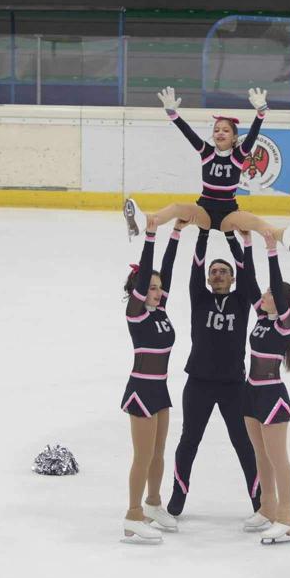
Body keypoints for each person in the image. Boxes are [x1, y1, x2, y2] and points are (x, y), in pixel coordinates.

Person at [124, 87, 290, 258]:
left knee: (256, 222)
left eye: (226, 130)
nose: (220, 133)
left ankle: (285, 237)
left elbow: (252, 135)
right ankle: (143, 222)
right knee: (176, 208)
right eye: (216, 130)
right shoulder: (207, 152)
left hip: (228, 214)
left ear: (234, 137)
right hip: (204, 210)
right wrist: (173, 115)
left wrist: (260, 114)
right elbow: (189, 133)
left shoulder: (238, 155)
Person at [167, 228, 265, 527]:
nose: (218, 275)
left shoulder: (241, 300)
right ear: (208, 279)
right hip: (198, 381)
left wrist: (238, 241)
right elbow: (195, 267)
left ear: (232, 278)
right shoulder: (199, 297)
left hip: (234, 384)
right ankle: (177, 498)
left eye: (224, 272)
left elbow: (249, 274)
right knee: (189, 441)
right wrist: (203, 235)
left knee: (244, 443)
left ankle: (260, 501)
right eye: (214, 272)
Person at [120, 216, 186, 543]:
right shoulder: (137, 312)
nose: (158, 292)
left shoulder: (160, 310)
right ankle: (133, 515)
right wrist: (150, 234)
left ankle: (153, 504)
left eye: (160, 289)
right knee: (142, 456)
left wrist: (175, 234)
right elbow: (148, 272)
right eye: (152, 288)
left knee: (159, 454)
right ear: (140, 289)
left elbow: (167, 270)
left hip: (160, 389)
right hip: (141, 390)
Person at [243, 230, 290, 544]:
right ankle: (267, 507)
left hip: (272, 396)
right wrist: (245, 243)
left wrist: (271, 249)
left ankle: (287, 516)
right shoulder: (263, 317)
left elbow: (275, 290)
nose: (264, 296)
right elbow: (249, 282)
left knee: (278, 457)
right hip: (250, 392)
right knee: (260, 454)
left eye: (270, 294)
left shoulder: (284, 322)